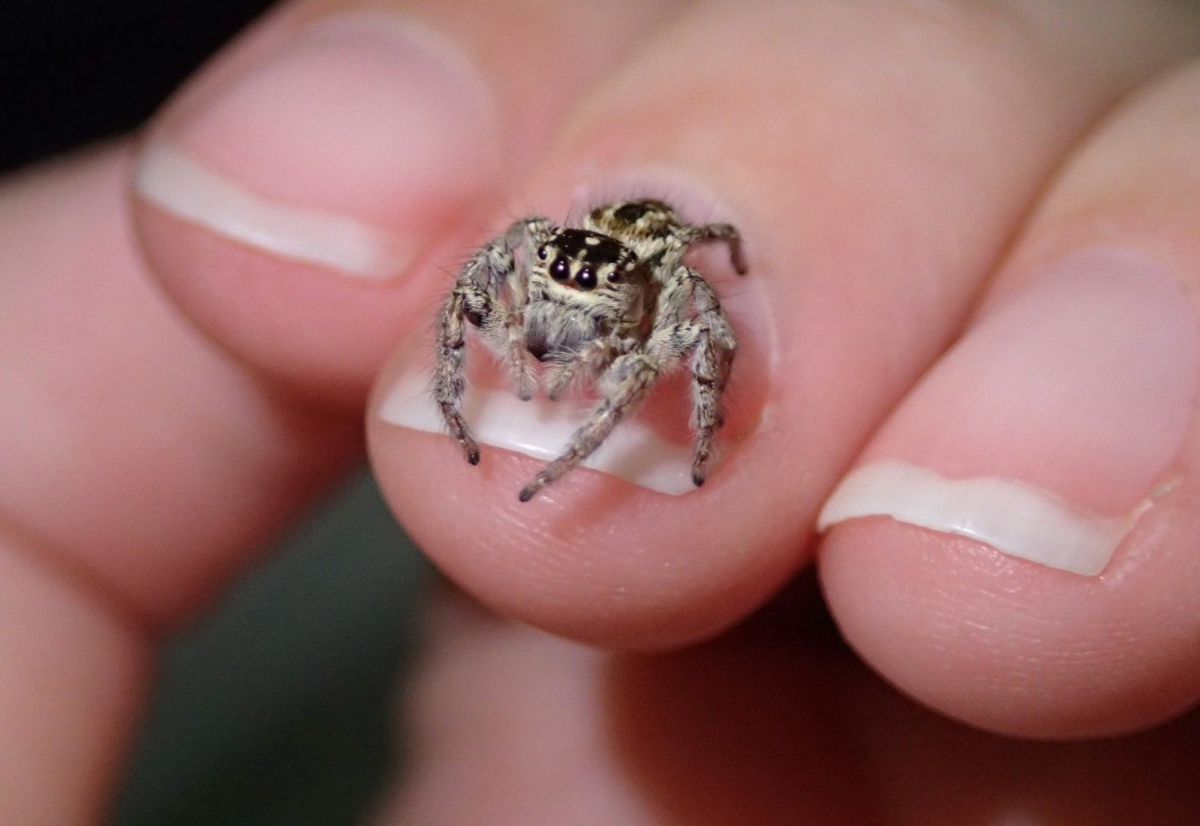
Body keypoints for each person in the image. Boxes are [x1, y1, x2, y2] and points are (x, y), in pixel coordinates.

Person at [4, 1, 1200, 822]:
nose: (565, 310)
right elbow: (485, 275)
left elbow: (708, 307)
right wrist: (479, 403)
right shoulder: (530, 251)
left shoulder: (679, 286)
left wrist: (591, 439)